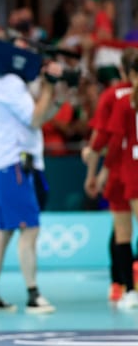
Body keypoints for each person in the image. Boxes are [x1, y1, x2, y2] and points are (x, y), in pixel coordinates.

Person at [0, 41, 68, 314]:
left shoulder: (1, 80)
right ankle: (33, 294)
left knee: (3, 229)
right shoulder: (7, 82)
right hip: (13, 165)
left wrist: (58, 95)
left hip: (3, 163)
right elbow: (34, 118)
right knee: (29, 228)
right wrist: (51, 83)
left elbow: (42, 117)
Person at [82, 49, 138, 303]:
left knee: (121, 230)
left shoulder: (116, 98)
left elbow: (106, 139)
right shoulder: (125, 98)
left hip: (122, 170)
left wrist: (95, 170)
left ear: (124, 70)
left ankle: (121, 285)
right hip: (124, 168)